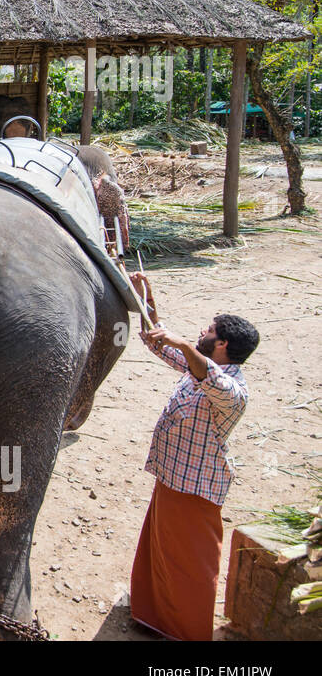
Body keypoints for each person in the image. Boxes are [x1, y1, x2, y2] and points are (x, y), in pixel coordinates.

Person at [127, 271, 259, 641]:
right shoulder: (197, 364)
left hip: (195, 487)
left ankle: (187, 632)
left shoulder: (232, 390)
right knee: (162, 552)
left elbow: (210, 379)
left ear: (222, 344)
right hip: (173, 476)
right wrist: (146, 298)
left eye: (208, 330)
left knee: (189, 565)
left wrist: (185, 344)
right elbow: (156, 342)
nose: (203, 331)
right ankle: (154, 617)